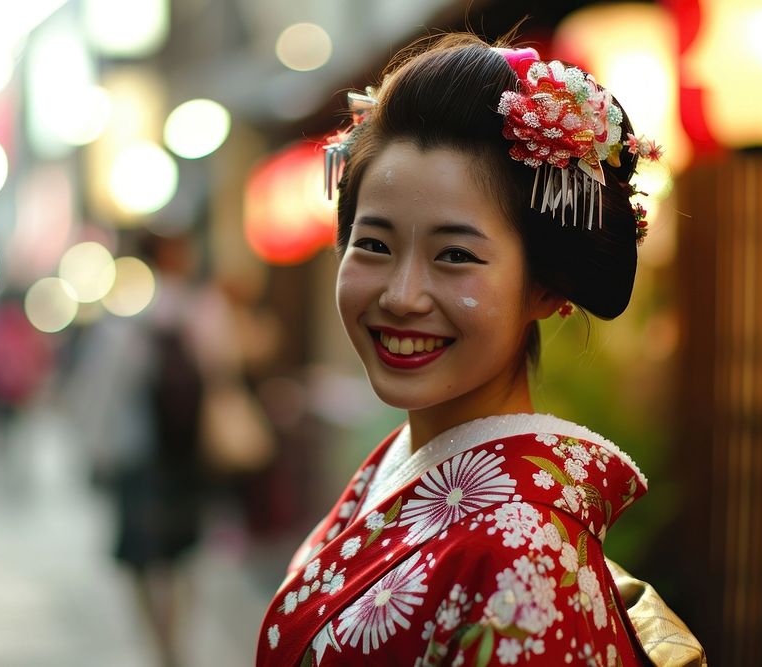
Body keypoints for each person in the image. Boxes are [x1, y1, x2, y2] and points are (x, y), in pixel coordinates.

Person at [256, 33, 704, 666]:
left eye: (456, 255)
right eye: (374, 245)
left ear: (548, 287)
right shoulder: (408, 467)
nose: (403, 296)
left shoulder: (526, 557)